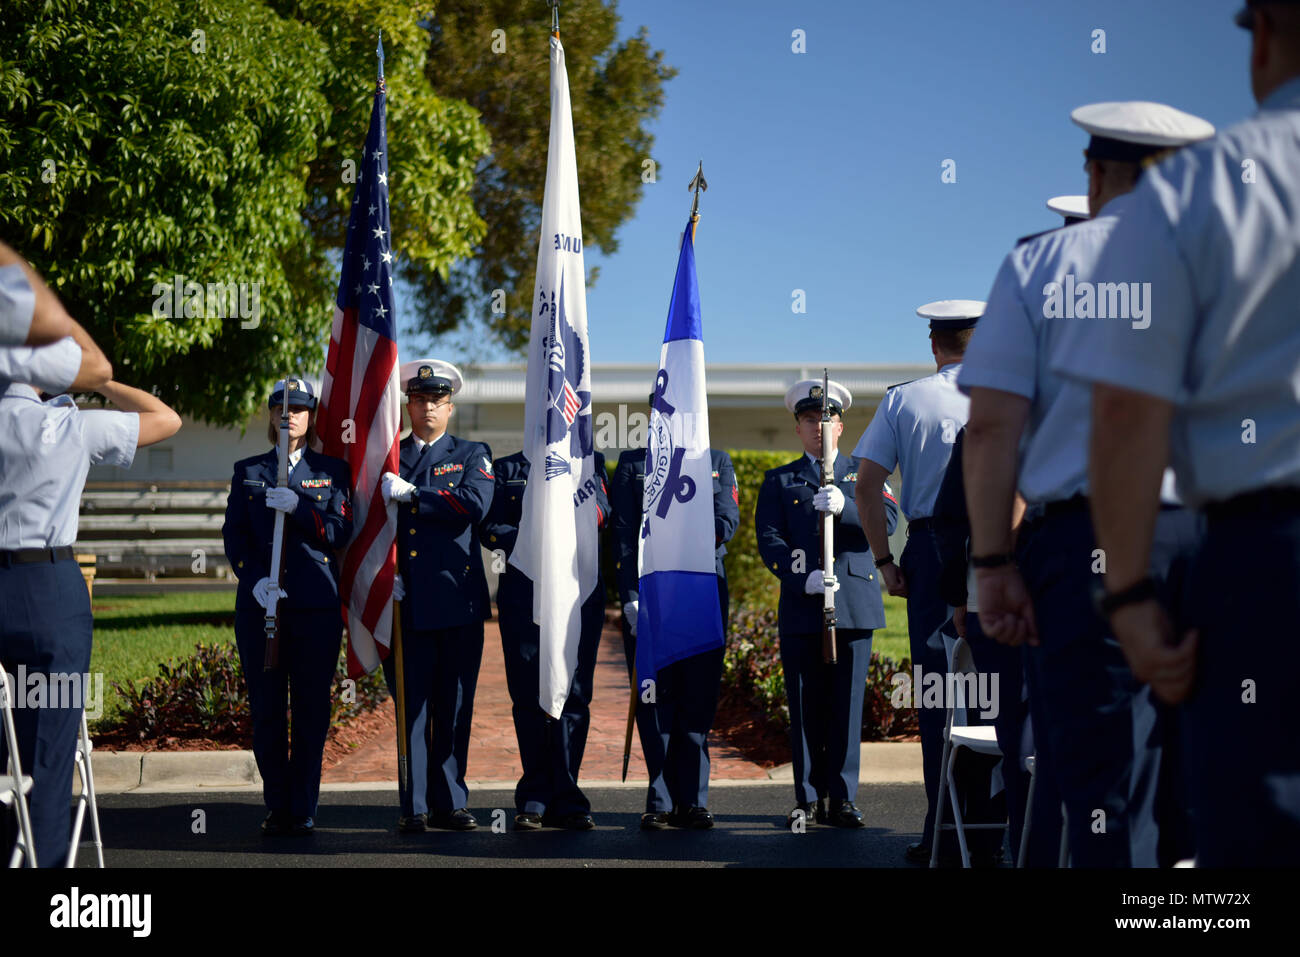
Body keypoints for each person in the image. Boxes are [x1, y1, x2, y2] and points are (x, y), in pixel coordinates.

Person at [1048, 0, 1300, 865]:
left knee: (1255, 839)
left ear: (1266, 31)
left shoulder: (1195, 190)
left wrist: (1126, 595)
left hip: (1267, 557)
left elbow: (1126, 412)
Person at [961, 100, 1214, 868]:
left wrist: (993, 564)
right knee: (1216, 781)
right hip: (1227, 537)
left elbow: (992, 429)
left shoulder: (1040, 264)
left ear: (1096, 174)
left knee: (1104, 795)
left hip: (1089, 542)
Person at [1, 367, 180, 866]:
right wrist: (98, 380)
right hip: (49, 593)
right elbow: (165, 419)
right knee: (50, 751)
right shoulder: (68, 425)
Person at [852, 300, 982, 862]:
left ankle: (944, 834)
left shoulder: (904, 399)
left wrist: (885, 560)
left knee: (942, 693)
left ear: (935, 345)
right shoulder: (1016, 396)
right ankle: (1001, 833)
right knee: (1003, 690)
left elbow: (865, 484)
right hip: (1011, 543)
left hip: (931, 549)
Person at [755, 379, 898, 829]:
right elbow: (769, 540)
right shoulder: (779, 480)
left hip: (854, 603)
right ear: (798, 428)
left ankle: (843, 797)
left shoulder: (864, 474)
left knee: (846, 705)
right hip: (803, 606)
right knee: (804, 707)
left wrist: (848, 507)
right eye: (809, 419)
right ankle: (809, 797)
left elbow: (890, 520)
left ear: (841, 424)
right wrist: (802, 579)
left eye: (827, 418)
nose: (820, 426)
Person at [222, 376, 353, 836]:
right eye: (280, 407)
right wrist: (255, 581)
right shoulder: (248, 471)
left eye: (298, 408)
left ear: (311, 416)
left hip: (314, 608)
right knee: (267, 710)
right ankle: (277, 803)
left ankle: (304, 805)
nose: (288, 415)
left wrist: (300, 508)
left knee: (312, 711)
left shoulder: (333, 472)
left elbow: (339, 532)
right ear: (270, 416)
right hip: (261, 609)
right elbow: (234, 537)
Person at [379, 358, 493, 832]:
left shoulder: (471, 453)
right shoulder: (388, 457)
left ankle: (451, 801)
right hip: (405, 601)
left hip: (457, 601)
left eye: (437, 400)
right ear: (407, 404)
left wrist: (414, 496)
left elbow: (475, 504)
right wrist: (385, 578)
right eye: (420, 399)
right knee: (413, 707)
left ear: (450, 406)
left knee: (455, 705)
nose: (428, 407)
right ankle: (415, 806)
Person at [610, 415, 739, 829]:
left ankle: (694, 799)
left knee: (697, 700)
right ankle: (660, 799)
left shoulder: (715, 460)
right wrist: (629, 596)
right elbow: (623, 535)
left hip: (701, 594)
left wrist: (686, 531)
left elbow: (727, 522)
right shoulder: (633, 463)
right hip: (651, 596)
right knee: (655, 702)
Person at [481, 449, 609, 831]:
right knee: (527, 696)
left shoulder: (590, 462)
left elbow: (603, 512)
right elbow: (489, 525)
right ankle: (534, 795)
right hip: (524, 596)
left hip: (576, 594)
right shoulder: (507, 468)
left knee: (574, 695)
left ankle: (569, 796)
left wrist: (565, 528)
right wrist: (534, 537)